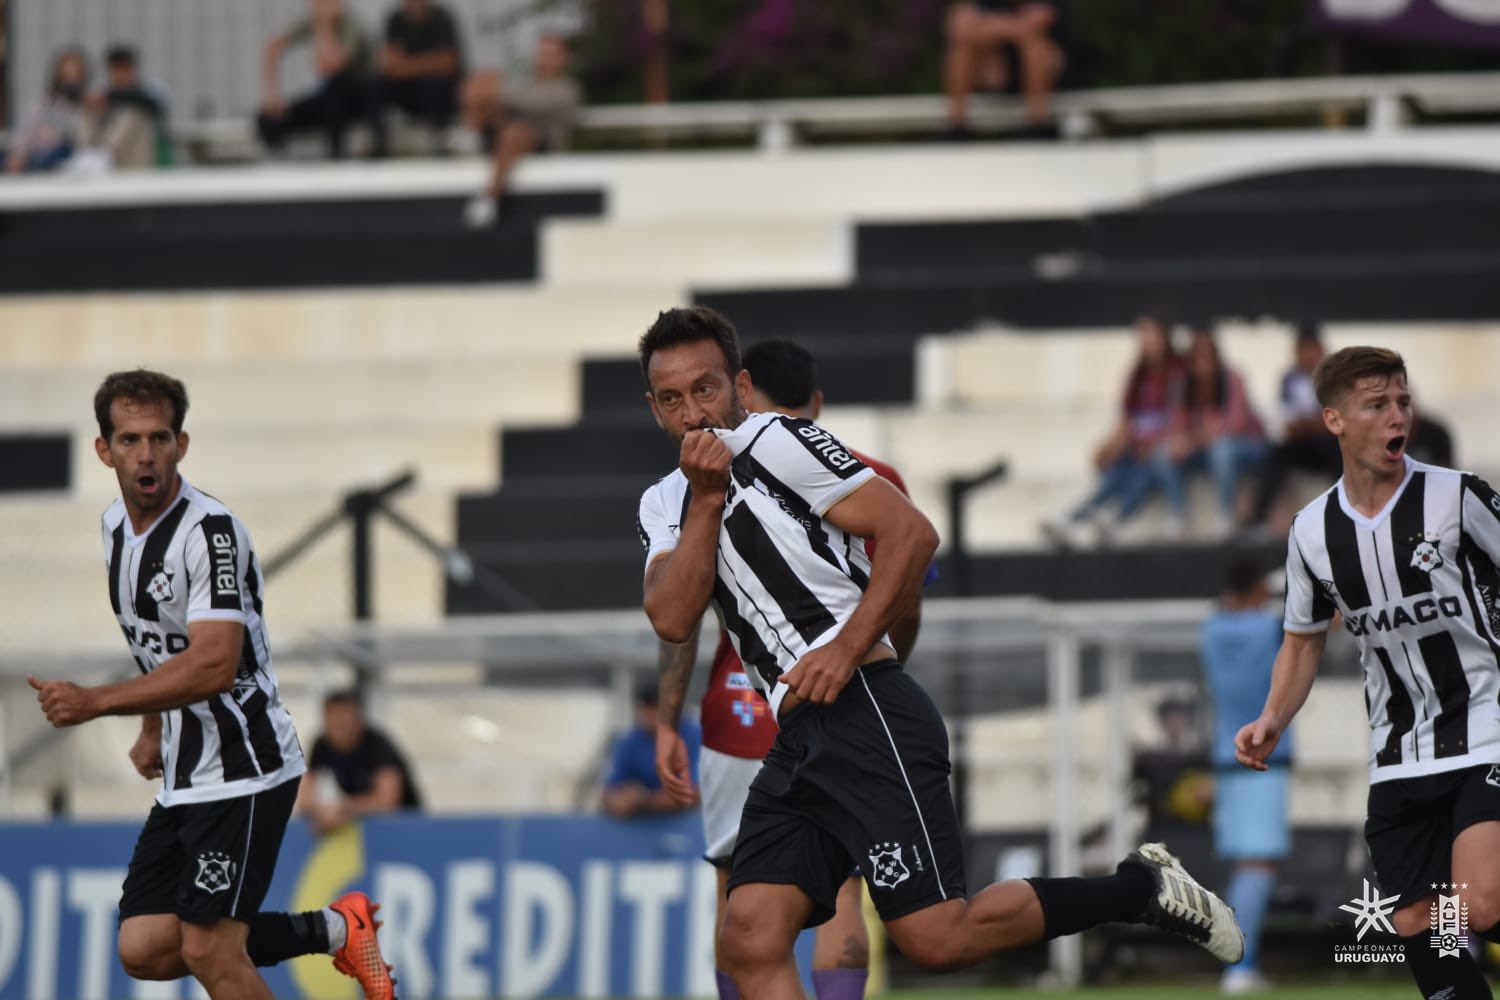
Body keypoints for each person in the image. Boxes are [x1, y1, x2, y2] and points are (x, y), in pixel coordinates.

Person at [635, 307, 1242, 998]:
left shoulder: (781, 441)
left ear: (741, 386)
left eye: (706, 389)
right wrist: (707, 500)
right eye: (673, 399)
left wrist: (847, 648)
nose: (694, 412)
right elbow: (673, 617)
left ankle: (1140, 888)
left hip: (865, 708)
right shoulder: (666, 503)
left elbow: (913, 534)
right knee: (748, 935)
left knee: (937, 937)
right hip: (800, 732)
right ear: (654, 410)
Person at [26, 370, 396, 1000]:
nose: (146, 454)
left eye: (160, 438)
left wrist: (97, 704)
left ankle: (336, 930)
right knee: (143, 947)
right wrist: (150, 728)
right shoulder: (115, 528)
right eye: (130, 439)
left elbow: (213, 663)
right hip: (185, 772)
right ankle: (337, 928)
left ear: (182, 444)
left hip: (246, 764)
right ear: (103, 450)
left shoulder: (210, 533)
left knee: (208, 949)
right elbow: (152, 638)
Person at [654, 338, 932, 1000]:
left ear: (742, 389)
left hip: (737, 704)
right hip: (836, 694)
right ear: (816, 404)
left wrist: (669, 717)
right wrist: (882, 667)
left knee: (738, 898)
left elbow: (682, 625)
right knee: (841, 890)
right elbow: (906, 590)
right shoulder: (869, 471)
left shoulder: (684, 488)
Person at [1237, 346, 1500, 1000]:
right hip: (1399, 750)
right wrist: (1273, 716)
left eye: (1402, 402)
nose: (1395, 417)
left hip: (1487, 724)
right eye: (1376, 405)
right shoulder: (1312, 532)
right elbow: (1300, 643)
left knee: (1480, 905)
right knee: (1421, 918)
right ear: (1334, 420)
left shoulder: (1458, 497)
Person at [1203, 557, 1289, 995]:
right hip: (1261, 754)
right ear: (1259, 589)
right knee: (1259, 862)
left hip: (1224, 753)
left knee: (1246, 863)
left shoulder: (1212, 628)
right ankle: (1239, 965)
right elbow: (1323, 622)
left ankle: (1235, 961)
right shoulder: (1268, 627)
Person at [1042, 314, 1183, 547]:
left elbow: (1180, 417)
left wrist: (1154, 440)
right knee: (1114, 472)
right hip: (1136, 446)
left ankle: (1116, 518)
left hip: (1161, 448)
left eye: (1151, 335)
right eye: (1143, 336)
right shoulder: (1137, 376)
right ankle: (1074, 517)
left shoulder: (1178, 373)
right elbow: (1127, 419)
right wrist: (1111, 445)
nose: (1147, 342)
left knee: (1144, 471)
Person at [461, 34, 581, 228]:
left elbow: (535, 103)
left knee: (516, 131)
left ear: (563, 58)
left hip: (543, 146)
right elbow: (510, 99)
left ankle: (489, 197)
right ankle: (469, 133)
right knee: (484, 83)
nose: (546, 59)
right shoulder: (525, 85)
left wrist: (497, 93)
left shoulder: (567, 89)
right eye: (543, 54)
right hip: (508, 139)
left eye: (552, 54)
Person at [1156, 328, 1266, 539]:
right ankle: (1178, 515)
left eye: (1207, 355)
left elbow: (1237, 424)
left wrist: (1198, 437)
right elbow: (1176, 425)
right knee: (1164, 453)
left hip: (1244, 445)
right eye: (1197, 356)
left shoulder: (1232, 379)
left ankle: (1226, 514)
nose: (1202, 362)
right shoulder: (1182, 385)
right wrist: (1187, 440)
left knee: (1222, 450)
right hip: (1203, 449)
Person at [1243, 325, 1342, 538]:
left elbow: (1338, 418)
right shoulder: (1289, 378)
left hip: (1330, 443)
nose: (1307, 356)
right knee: (1276, 452)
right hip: (1304, 444)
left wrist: (1313, 424)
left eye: (1312, 350)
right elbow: (1284, 415)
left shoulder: (1335, 377)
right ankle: (1258, 519)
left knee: (1339, 447)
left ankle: (1341, 515)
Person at [258, 0, 376, 160]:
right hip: (329, 100)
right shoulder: (312, 22)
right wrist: (273, 99)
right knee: (268, 119)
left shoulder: (351, 26)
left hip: (359, 100)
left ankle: (337, 157)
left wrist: (325, 26)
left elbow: (331, 66)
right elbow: (272, 49)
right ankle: (278, 162)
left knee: (336, 88)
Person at [298, 690, 422, 834]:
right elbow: (305, 799)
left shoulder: (378, 745)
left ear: (359, 719)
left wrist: (343, 809)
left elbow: (387, 802)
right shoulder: (321, 745)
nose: (338, 723)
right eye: (333, 717)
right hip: (351, 832)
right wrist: (323, 811)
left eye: (344, 717)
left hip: (401, 830)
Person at [942, 0, 1062, 138]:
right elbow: (960, 27)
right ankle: (957, 125)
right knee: (962, 51)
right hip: (995, 74)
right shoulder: (983, 4)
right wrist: (1015, 28)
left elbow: (1038, 22)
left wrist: (986, 26)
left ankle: (1040, 122)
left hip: (1041, 74)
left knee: (1035, 47)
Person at [375, 0, 463, 154]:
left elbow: (448, 62)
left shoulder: (441, 18)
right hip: (409, 92)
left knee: (434, 84)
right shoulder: (395, 20)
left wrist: (407, 65)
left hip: (439, 93)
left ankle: (440, 144)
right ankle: (379, 142)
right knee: (376, 85)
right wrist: (429, 62)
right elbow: (390, 65)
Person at [602, 684, 701, 818]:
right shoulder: (629, 741)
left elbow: (694, 794)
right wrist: (618, 802)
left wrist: (644, 799)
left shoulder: (693, 735)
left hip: (690, 821)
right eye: (647, 711)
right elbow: (608, 793)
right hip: (641, 825)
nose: (652, 718)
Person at [82, 45, 168, 170]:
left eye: (125, 69)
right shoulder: (102, 95)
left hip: (137, 164)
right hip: (105, 163)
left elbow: (154, 105)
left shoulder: (150, 91)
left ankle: (101, 157)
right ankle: (88, 157)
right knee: (86, 110)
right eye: (117, 70)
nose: (121, 75)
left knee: (133, 113)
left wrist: (110, 99)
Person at [7, 46, 89, 173]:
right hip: (34, 152)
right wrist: (19, 154)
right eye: (66, 76)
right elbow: (27, 130)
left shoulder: (88, 104)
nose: (70, 82)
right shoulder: (46, 102)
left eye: (74, 75)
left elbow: (79, 138)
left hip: (61, 157)